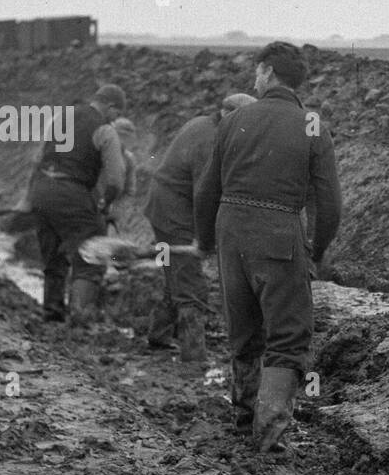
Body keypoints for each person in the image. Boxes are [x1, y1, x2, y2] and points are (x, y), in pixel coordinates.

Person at [193, 43, 342, 451]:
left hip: (230, 234)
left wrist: (207, 242)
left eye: (257, 72)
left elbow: (206, 190)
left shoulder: (235, 118)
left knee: (243, 330)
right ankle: (269, 434)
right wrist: (316, 251)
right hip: (279, 236)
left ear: (268, 72)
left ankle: (243, 421)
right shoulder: (311, 125)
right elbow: (330, 205)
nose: (255, 79)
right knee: (289, 335)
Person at [144, 94, 254, 363]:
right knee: (190, 284)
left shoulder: (205, 124)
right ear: (229, 116)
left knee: (177, 273)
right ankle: (194, 355)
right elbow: (205, 194)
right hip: (173, 212)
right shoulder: (209, 140)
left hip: (166, 205)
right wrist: (207, 239)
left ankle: (158, 335)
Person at [29, 84, 128, 323]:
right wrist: (106, 203)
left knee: (53, 256)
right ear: (111, 107)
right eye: (117, 113)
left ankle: (52, 314)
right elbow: (116, 180)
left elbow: (37, 159)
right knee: (90, 257)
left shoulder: (61, 117)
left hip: (41, 189)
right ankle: (80, 319)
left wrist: (27, 199)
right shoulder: (105, 130)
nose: (116, 119)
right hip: (71, 193)